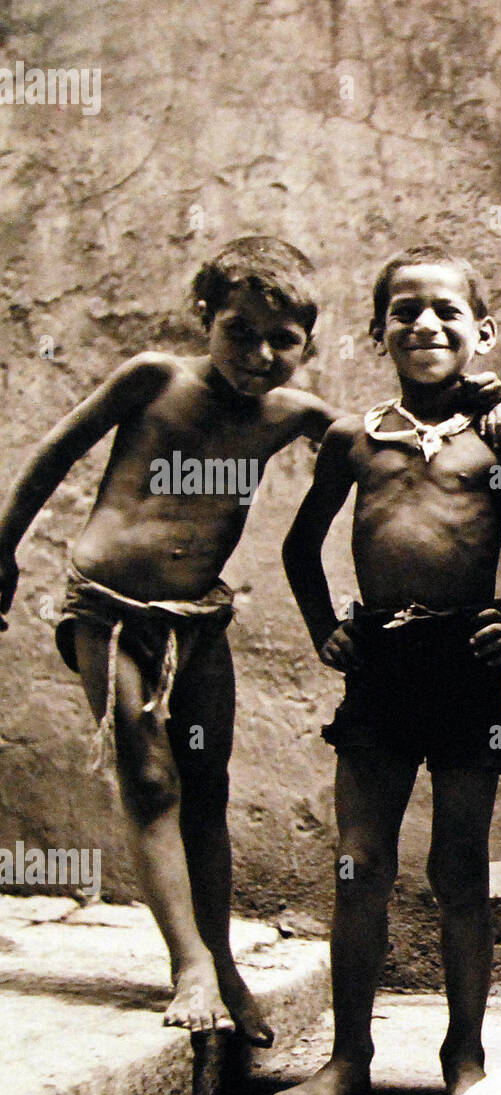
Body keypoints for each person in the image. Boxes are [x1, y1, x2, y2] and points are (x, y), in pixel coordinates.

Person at [0, 236, 340, 1043]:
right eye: (238, 331)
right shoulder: (154, 378)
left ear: (308, 342)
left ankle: (219, 961)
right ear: (204, 319)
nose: (260, 356)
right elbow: (52, 457)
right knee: (150, 779)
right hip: (107, 612)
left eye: (282, 340)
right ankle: (187, 963)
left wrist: (484, 418)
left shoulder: (294, 416)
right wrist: (3, 548)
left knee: (207, 787)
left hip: (199, 622)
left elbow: (389, 450)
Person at [273, 247, 501, 1095]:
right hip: (380, 666)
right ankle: (350, 1056)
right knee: (358, 864)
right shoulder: (353, 439)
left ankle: (464, 1056)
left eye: (446, 311)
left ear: (480, 332)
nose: (424, 324)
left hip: (464, 670)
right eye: (404, 311)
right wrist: (324, 625)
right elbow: (300, 546)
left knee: (460, 868)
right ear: (378, 332)